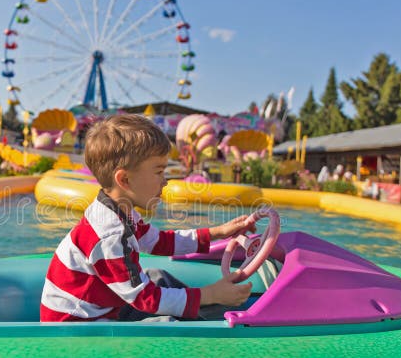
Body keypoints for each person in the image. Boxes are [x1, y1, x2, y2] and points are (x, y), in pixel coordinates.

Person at [40, 114, 254, 323]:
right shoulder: (110, 234)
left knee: (160, 277)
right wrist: (210, 294)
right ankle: (212, 320)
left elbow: (161, 242)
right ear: (125, 179)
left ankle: (208, 314)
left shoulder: (121, 211)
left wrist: (218, 233)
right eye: (159, 172)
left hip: (104, 304)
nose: (166, 181)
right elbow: (144, 298)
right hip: (79, 325)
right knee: (167, 325)